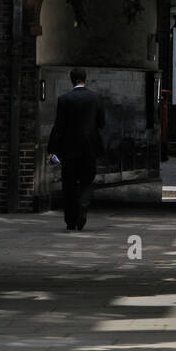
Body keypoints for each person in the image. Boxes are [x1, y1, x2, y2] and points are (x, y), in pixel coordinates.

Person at [47, 68, 105, 232]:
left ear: (71, 80)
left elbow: (58, 127)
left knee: (69, 184)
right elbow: (101, 123)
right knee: (87, 180)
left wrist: (52, 150)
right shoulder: (96, 98)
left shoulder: (64, 99)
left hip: (69, 149)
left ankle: (70, 220)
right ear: (85, 79)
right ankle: (83, 206)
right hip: (89, 148)